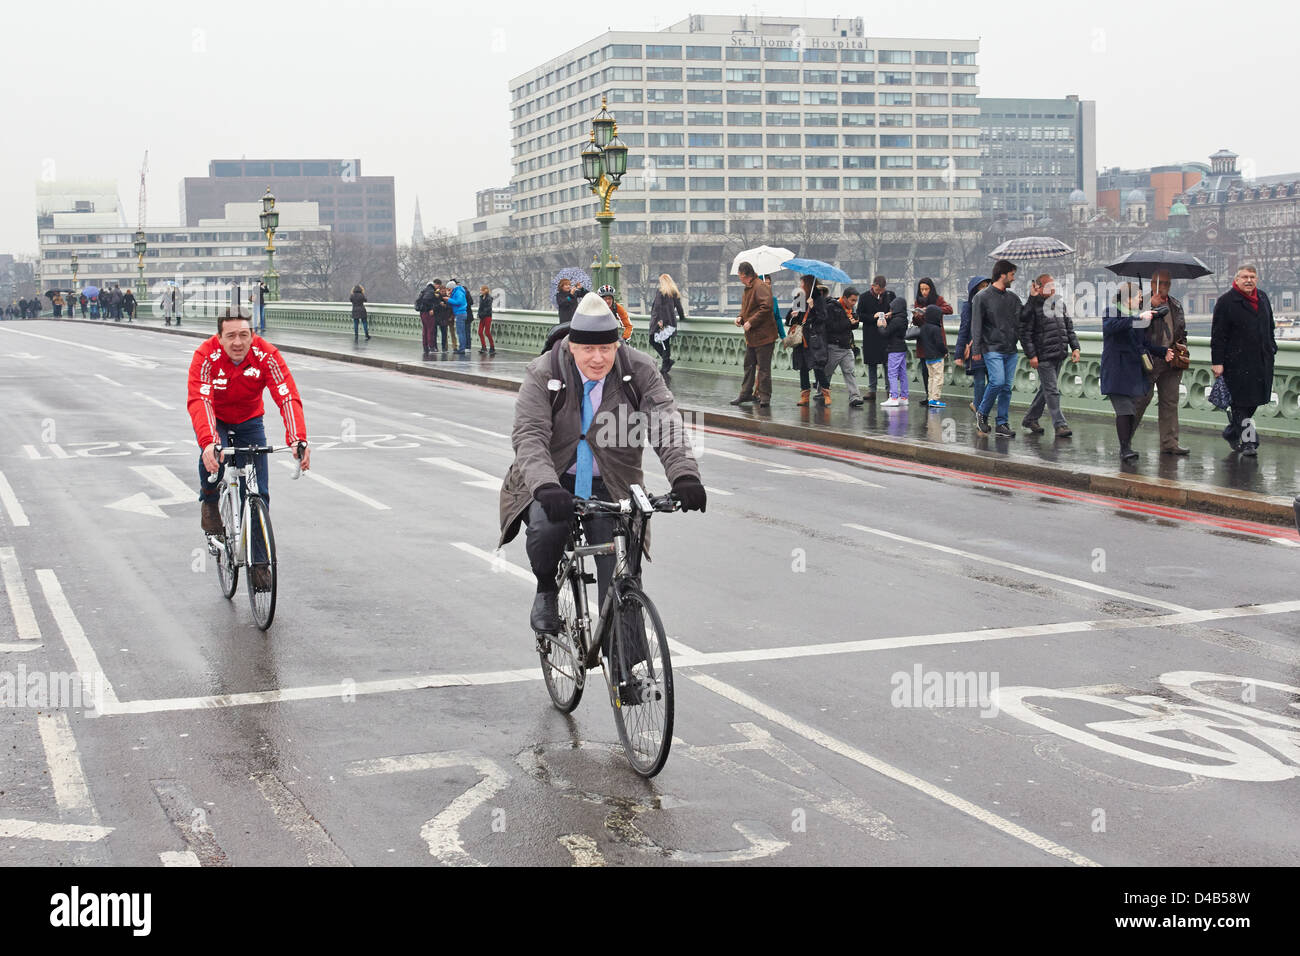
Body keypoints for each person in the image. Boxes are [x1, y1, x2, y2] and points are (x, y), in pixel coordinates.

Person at [496, 293, 705, 668]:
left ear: (618, 344)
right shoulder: (544, 373)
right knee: (547, 529)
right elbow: (529, 435)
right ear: (572, 346)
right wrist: (545, 486)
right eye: (589, 349)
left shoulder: (639, 370)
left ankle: (627, 670)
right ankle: (546, 588)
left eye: (607, 348)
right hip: (553, 478)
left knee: (622, 572)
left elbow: (665, 423)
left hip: (611, 482)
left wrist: (685, 475)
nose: (598, 358)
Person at [187, 308, 311, 588]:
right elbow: (200, 401)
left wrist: (297, 439)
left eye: (244, 335)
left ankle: (259, 564)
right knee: (212, 458)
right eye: (230, 336)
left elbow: (286, 394)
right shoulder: (205, 356)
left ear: (252, 335)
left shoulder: (266, 355)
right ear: (219, 338)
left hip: (249, 420)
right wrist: (209, 443)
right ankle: (209, 502)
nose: (238, 342)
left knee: (258, 494)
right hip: (216, 418)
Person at [1211, 264, 1276, 457]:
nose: (1249, 280)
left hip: (1261, 361)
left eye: (1252, 277)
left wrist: (1272, 347)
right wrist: (1217, 362)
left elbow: (1270, 326)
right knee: (1240, 403)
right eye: (1245, 277)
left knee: (1253, 402)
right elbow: (1218, 335)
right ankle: (1249, 442)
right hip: (1236, 363)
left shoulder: (1263, 297)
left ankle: (1232, 431)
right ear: (1237, 280)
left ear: (1257, 279)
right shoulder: (1226, 302)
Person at [1019, 274, 1080, 438]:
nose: (1052, 289)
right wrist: (1031, 355)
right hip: (1043, 356)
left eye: (1053, 285)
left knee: (1045, 390)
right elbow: (1025, 333)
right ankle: (1060, 425)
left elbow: (1069, 327)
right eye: (1048, 286)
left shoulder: (1059, 304)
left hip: (1059, 353)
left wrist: (1075, 347)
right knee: (1052, 390)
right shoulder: (1032, 307)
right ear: (1038, 287)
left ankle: (1030, 419)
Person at [1101, 282, 1156, 462]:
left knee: (1131, 411)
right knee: (1124, 410)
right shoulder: (1111, 311)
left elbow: (1143, 344)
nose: (1141, 299)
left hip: (1132, 372)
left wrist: (1164, 352)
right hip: (1116, 370)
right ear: (1127, 299)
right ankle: (1125, 449)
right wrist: (1138, 318)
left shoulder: (1136, 316)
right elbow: (1111, 327)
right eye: (1138, 297)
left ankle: (1126, 446)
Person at [970, 259, 1023, 437]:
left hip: (1010, 349)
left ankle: (1002, 423)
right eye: (1012, 274)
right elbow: (976, 325)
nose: (1013, 278)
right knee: (997, 382)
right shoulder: (981, 297)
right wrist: (976, 349)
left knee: (1006, 387)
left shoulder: (1013, 299)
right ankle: (982, 413)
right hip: (991, 348)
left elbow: (1021, 323)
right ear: (1002, 274)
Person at [729, 261, 778, 407]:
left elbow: (766, 307)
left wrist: (751, 322)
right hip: (752, 336)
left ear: (744, 275)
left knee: (763, 368)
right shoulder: (749, 288)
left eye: (739, 275)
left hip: (764, 336)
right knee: (749, 365)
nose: (738, 277)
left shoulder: (760, 286)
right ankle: (745, 394)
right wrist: (741, 318)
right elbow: (748, 310)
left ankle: (764, 397)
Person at [788, 275, 831, 406]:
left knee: (818, 367)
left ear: (808, 284)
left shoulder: (818, 299)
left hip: (814, 339)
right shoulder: (799, 298)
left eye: (802, 283)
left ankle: (826, 393)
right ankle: (804, 395)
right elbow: (790, 320)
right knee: (803, 368)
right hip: (801, 339)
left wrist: (813, 307)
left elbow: (823, 318)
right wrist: (793, 315)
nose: (800, 286)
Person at [912, 278, 953, 404]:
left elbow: (949, 309)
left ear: (931, 289)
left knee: (936, 372)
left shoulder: (938, 299)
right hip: (923, 338)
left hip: (935, 336)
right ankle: (928, 396)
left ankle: (934, 397)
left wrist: (930, 309)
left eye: (926, 289)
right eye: (922, 289)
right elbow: (916, 322)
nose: (924, 292)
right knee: (925, 369)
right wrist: (917, 315)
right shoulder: (917, 301)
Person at [954, 276, 990, 415]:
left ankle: (978, 405)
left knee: (996, 381)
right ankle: (979, 409)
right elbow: (964, 329)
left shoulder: (990, 303)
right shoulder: (968, 306)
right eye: (982, 286)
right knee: (980, 380)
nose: (986, 288)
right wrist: (958, 354)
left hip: (990, 346)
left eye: (987, 285)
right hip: (975, 347)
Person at [856, 275, 894, 401]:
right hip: (871, 334)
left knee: (887, 363)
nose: (880, 293)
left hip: (886, 334)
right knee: (872, 363)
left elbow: (896, 311)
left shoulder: (890, 295)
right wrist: (873, 316)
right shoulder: (864, 297)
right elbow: (859, 316)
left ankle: (890, 390)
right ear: (873, 286)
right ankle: (872, 390)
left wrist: (889, 315)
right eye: (878, 290)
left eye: (882, 290)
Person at [826, 286, 863, 406]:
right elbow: (830, 326)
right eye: (852, 300)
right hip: (833, 346)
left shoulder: (851, 309)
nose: (854, 303)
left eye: (855, 301)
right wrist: (848, 323)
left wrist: (855, 322)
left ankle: (855, 397)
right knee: (827, 372)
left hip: (847, 346)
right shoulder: (832, 307)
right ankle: (821, 392)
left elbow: (851, 326)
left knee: (849, 371)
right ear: (845, 298)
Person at [649, 273, 685, 374]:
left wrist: (659, 321)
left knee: (654, 341)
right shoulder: (674, 292)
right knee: (665, 343)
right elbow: (679, 307)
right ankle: (667, 361)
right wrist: (682, 317)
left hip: (661, 321)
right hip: (670, 321)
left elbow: (657, 307)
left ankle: (666, 363)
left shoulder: (660, 292)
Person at [878, 295, 910, 407]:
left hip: (894, 349)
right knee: (902, 373)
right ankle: (904, 397)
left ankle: (894, 397)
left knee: (892, 373)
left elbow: (885, 333)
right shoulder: (903, 319)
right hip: (902, 348)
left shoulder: (896, 321)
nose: (890, 310)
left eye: (892, 308)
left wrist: (881, 326)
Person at [917, 305, 948, 408]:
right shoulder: (936, 328)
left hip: (927, 357)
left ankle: (930, 397)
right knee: (938, 378)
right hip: (937, 357)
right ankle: (935, 399)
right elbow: (939, 343)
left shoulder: (924, 327)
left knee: (931, 378)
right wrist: (945, 351)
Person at [416, 281, 439, 356]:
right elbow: (426, 300)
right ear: (433, 285)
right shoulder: (431, 291)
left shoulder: (423, 291)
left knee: (425, 330)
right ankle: (431, 346)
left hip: (422, 312)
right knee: (430, 330)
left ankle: (425, 347)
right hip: (428, 313)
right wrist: (431, 308)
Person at [449, 279, 469, 355]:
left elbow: (458, 302)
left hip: (460, 313)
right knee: (462, 332)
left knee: (460, 332)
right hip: (461, 313)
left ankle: (462, 348)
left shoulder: (458, 292)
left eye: (449, 289)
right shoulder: (458, 291)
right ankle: (462, 347)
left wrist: (449, 299)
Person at [478, 285, 496, 355]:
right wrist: (479, 314)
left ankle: (492, 347)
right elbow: (480, 307)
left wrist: (482, 313)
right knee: (480, 332)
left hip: (487, 316)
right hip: (482, 316)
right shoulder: (481, 297)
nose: (481, 291)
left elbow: (488, 308)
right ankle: (484, 347)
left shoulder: (489, 298)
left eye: (482, 290)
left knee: (487, 332)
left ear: (485, 290)